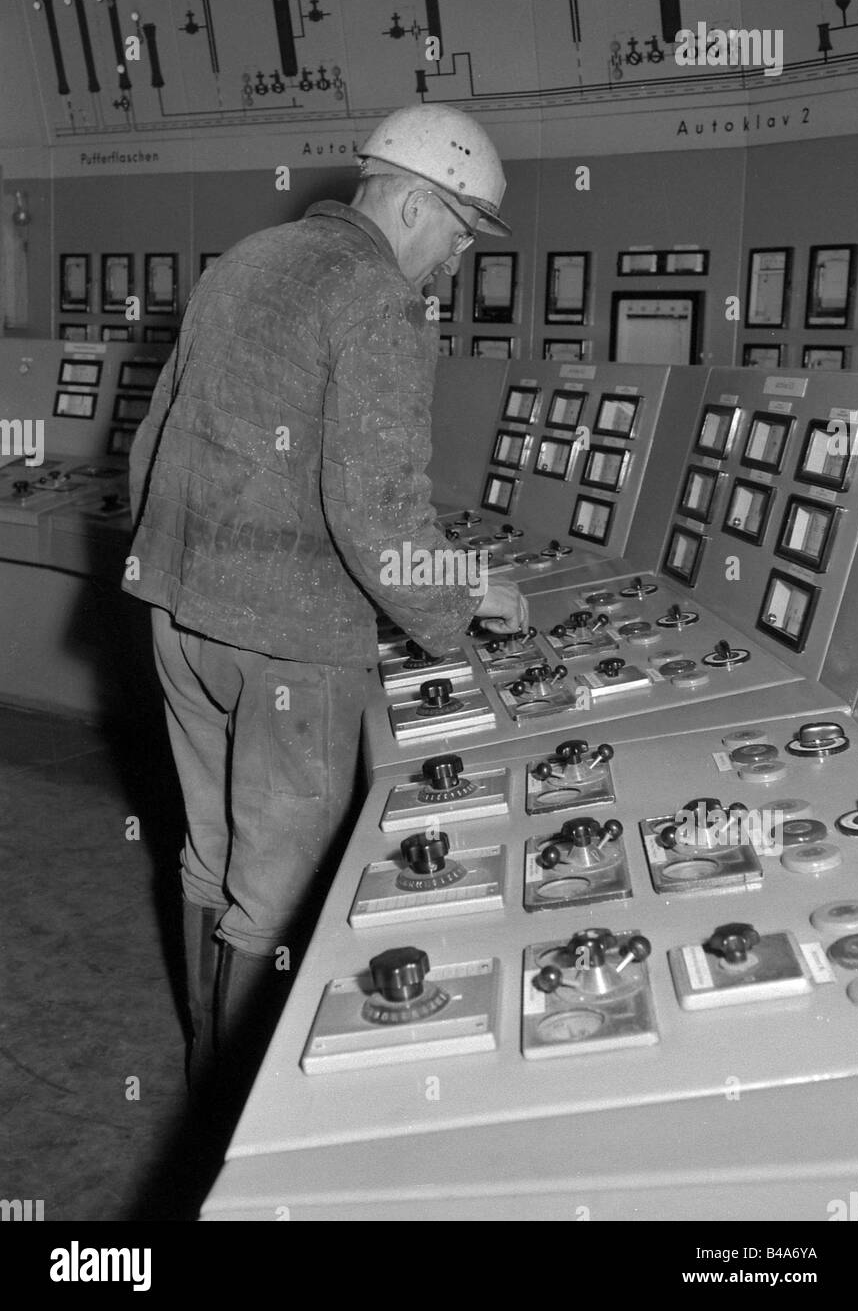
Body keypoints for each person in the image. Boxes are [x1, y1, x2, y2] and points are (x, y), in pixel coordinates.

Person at [122, 103, 529, 1085]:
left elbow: (151, 440)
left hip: (179, 615)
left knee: (207, 852)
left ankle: (201, 1061)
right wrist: (468, 595)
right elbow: (376, 511)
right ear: (423, 203)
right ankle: (236, 1109)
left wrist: (161, 575)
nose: (455, 262)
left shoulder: (247, 260)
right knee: (284, 891)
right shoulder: (381, 300)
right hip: (290, 648)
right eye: (464, 234)